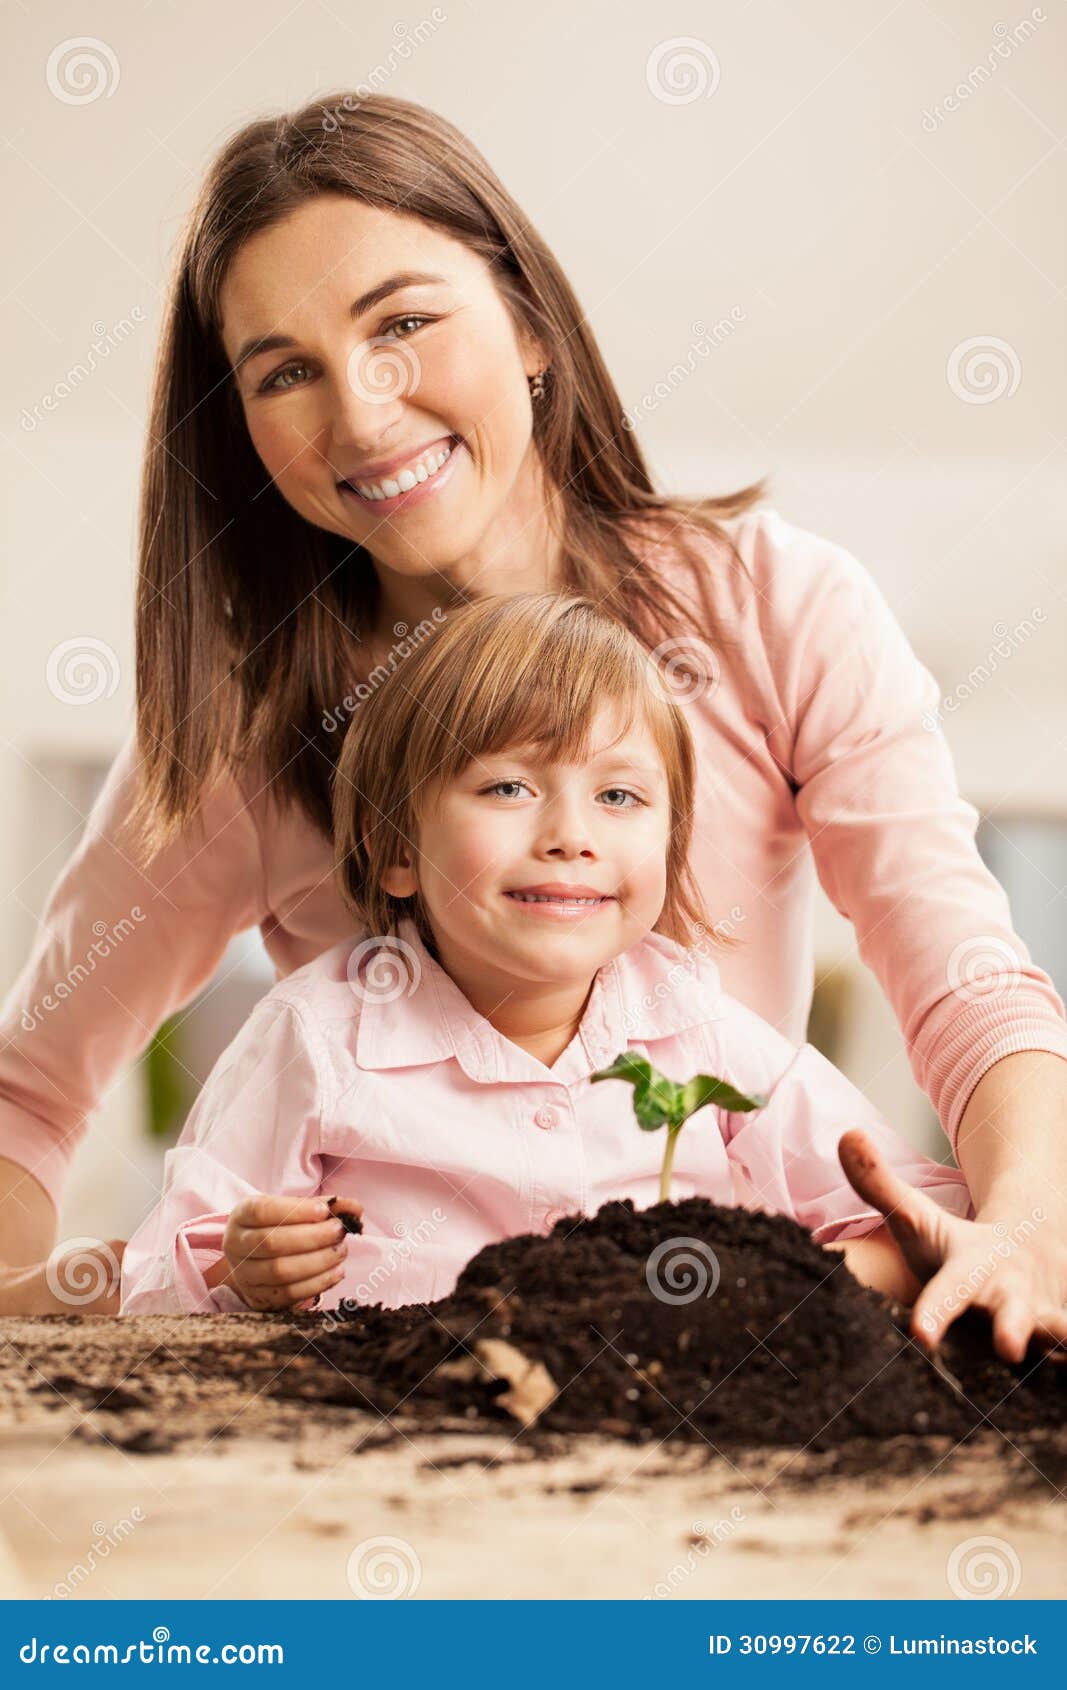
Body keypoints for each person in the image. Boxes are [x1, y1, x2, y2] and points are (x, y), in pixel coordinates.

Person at [2, 94, 1065, 1354]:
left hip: (705, 1380)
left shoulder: (774, 608)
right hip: (390, 1410)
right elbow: (28, 1097)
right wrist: (65, 1315)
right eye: (284, 372)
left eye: (402, 321)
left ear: (529, 327)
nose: (359, 413)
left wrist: (1033, 1229)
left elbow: (962, 977)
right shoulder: (247, 726)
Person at [120, 596, 980, 1328]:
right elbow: (159, 1277)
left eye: (618, 796)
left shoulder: (699, 1030)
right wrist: (243, 1268)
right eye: (507, 788)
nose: (571, 836)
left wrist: (764, 1303)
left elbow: (918, 1219)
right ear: (395, 850)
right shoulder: (317, 1035)